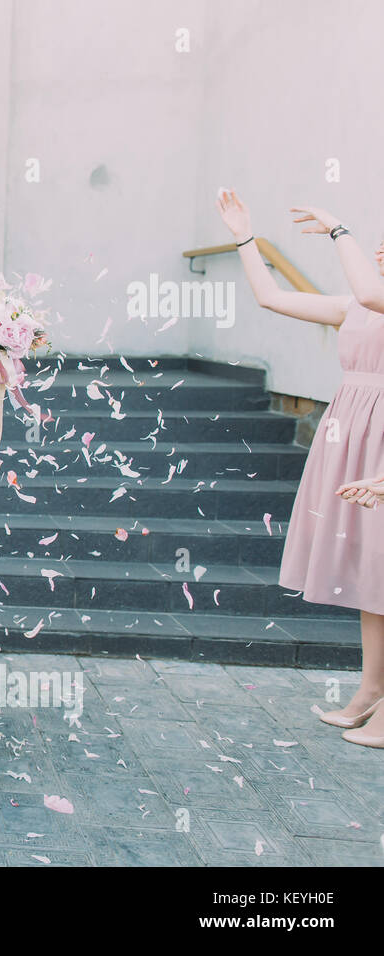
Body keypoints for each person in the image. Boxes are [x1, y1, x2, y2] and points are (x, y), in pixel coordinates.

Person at [218, 191, 384, 749]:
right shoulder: (358, 305)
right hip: (350, 429)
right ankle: (370, 692)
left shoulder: (373, 294)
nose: (380, 249)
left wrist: (339, 228)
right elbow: (270, 297)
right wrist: (245, 235)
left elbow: (367, 286)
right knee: (370, 572)